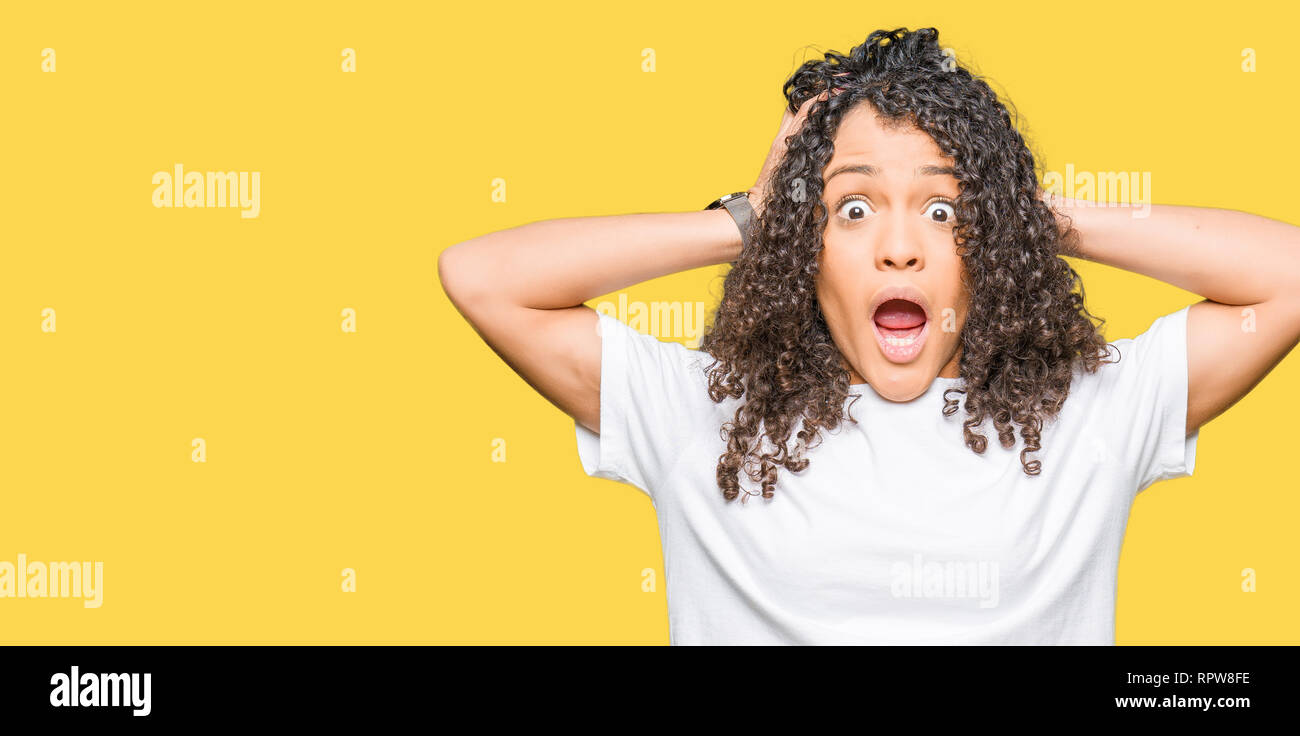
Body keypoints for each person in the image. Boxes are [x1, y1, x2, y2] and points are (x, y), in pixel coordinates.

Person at [438, 27, 1300, 644]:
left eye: (943, 209)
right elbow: (482, 278)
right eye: (853, 209)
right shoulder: (704, 415)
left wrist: (1023, 212)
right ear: (805, 246)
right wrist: (750, 217)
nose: (899, 245)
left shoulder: (1090, 414)